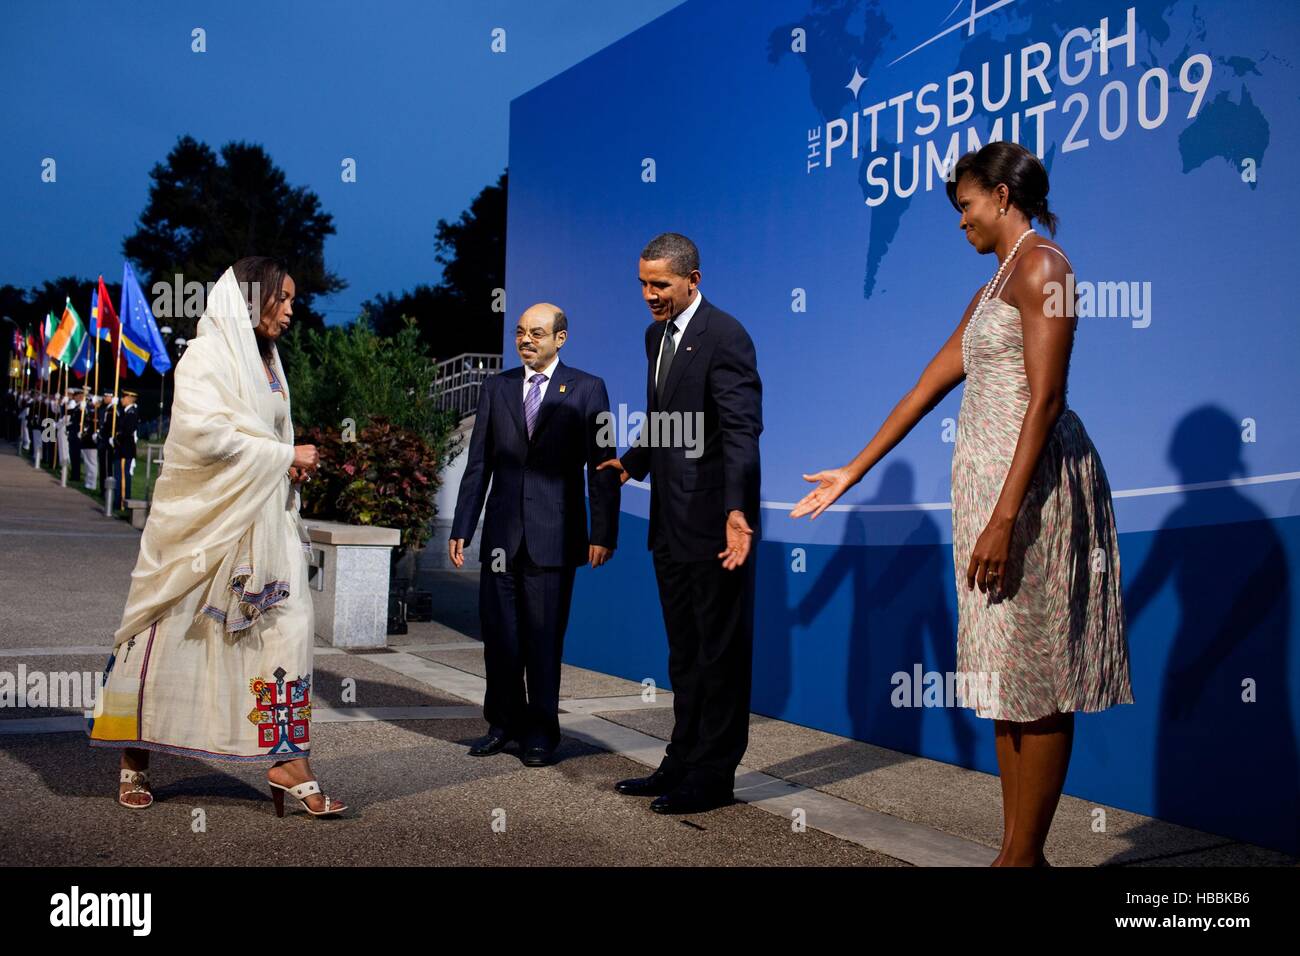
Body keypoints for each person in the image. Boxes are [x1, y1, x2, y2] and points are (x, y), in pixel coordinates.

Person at [790, 141, 1133, 866]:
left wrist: (1005, 518)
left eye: (966, 206)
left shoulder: (1047, 267)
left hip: (1034, 499)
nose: (961, 222)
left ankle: (1021, 857)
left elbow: (1046, 400)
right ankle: (1017, 854)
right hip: (991, 503)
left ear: (1003, 198)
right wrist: (853, 469)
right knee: (1007, 674)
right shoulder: (989, 289)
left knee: (1037, 675)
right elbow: (926, 385)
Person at [88, 256, 346, 817]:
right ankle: (134, 755)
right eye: (284, 298)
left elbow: (268, 431)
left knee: (289, 629)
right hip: (202, 528)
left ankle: (287, 758)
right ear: (255, 299)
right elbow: (203, 437)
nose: (292, 310)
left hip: (264, 525)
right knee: (172, 634)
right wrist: (283, 455)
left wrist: (288, 464)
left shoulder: (269, 360)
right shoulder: (208, 354)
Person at [598, 233, 763, 815]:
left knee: (720, 654)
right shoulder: (656, 336)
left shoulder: (726, 335)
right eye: (643, 283)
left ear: (693, 279)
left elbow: (742, 430)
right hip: (669, 523)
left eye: (660, 284)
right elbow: (671, 420)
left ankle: (714, 776)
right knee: (685, 653)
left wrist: (737, 511)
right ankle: (682, 760)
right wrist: (633, 462)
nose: (649, 294)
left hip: (718, 524)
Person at [449, 303, 621, 766]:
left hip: (555, 536)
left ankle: (542, 733)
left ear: (560, 339)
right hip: (502, 537)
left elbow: (603, 466)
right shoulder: (496, 387)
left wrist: (603, 530)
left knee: (543, 640)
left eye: (537, 333)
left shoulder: (588, 389)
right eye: (520, 332)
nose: (526, 340)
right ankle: (502, 724)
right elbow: (479, 463)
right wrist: (463, 526)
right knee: (501, 638)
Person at [111, 390, 140, 507]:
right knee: (118, 475)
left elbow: (127, 432)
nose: (122, 399)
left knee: (123, 476)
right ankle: (118, 500)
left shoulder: (132, 413)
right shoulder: (125, 412)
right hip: (121, 449)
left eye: (124, 397)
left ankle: (123, 501)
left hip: (124, 449)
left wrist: (116, 438)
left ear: (130, 398)